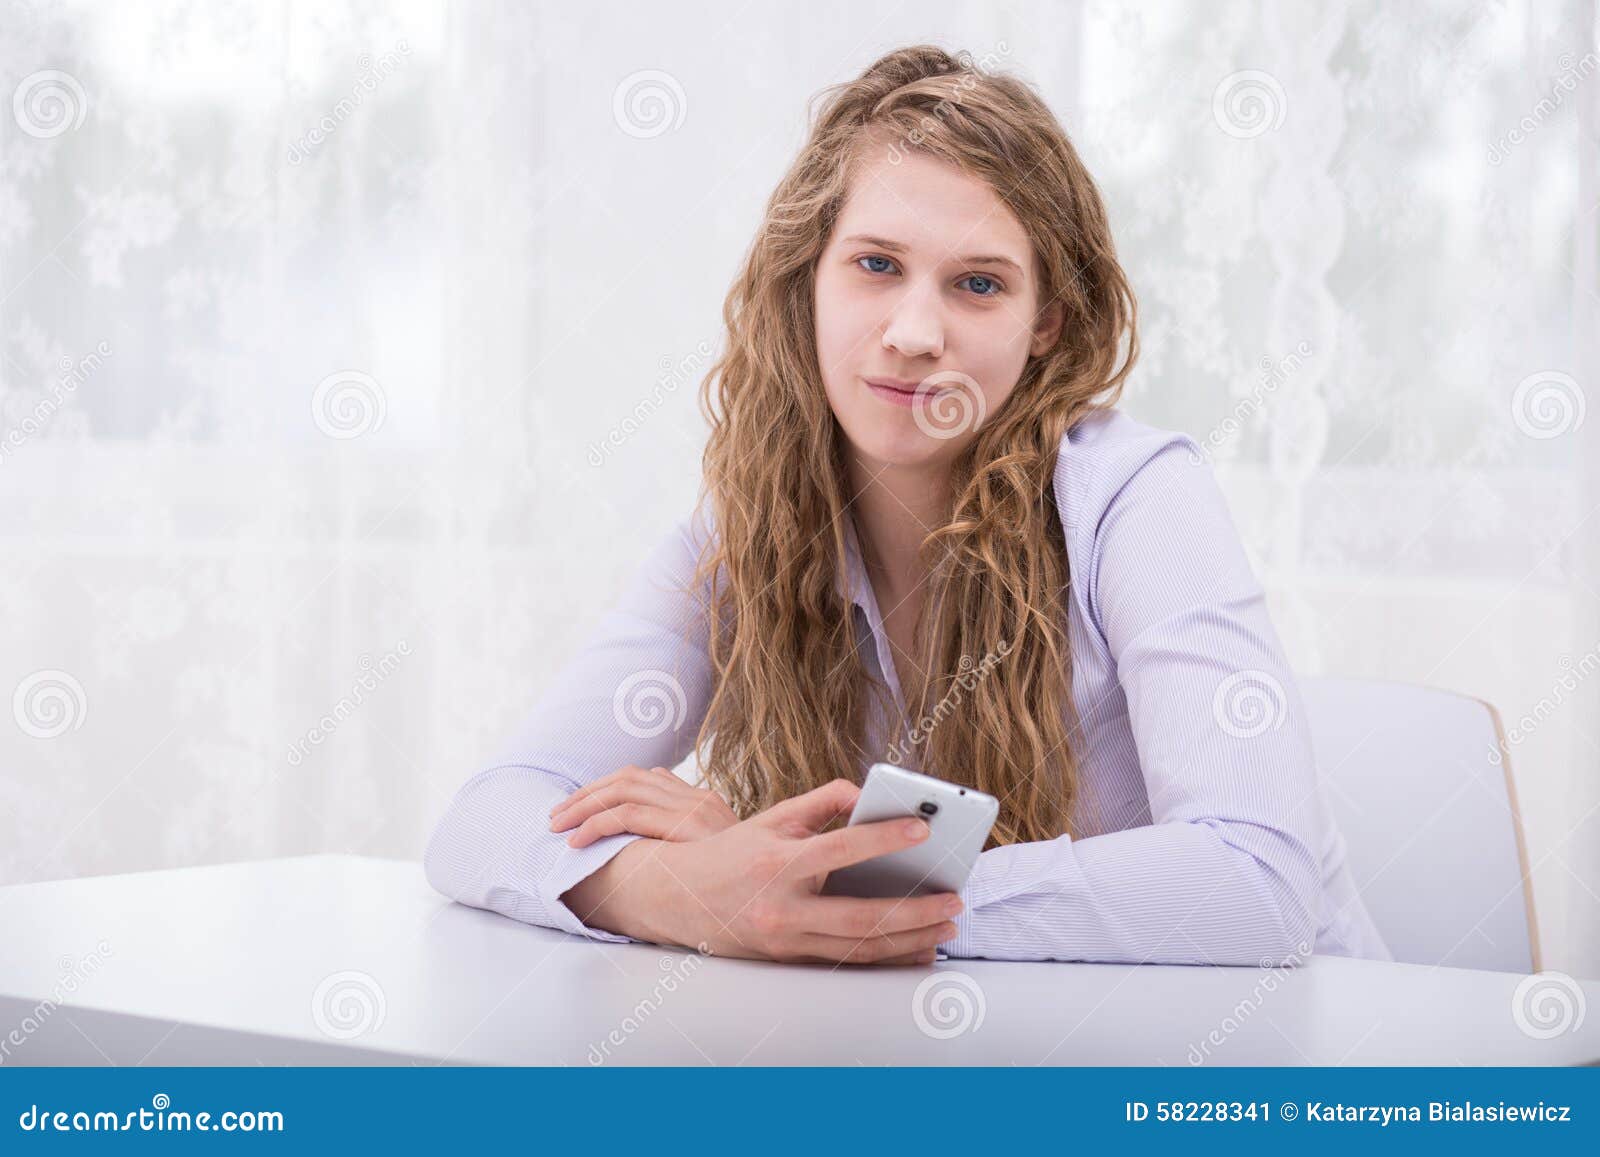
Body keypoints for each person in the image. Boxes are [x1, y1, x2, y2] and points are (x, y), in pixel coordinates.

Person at [424, 44, 1391, 968]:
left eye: (978, 284)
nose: (915, 332)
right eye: (876, 265)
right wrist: (682, 886)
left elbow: (1256, 879)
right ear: (808, 279)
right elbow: (486, 819)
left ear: (1044, 323)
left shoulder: (1138, 499)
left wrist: (830, 886)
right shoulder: (744, 531)